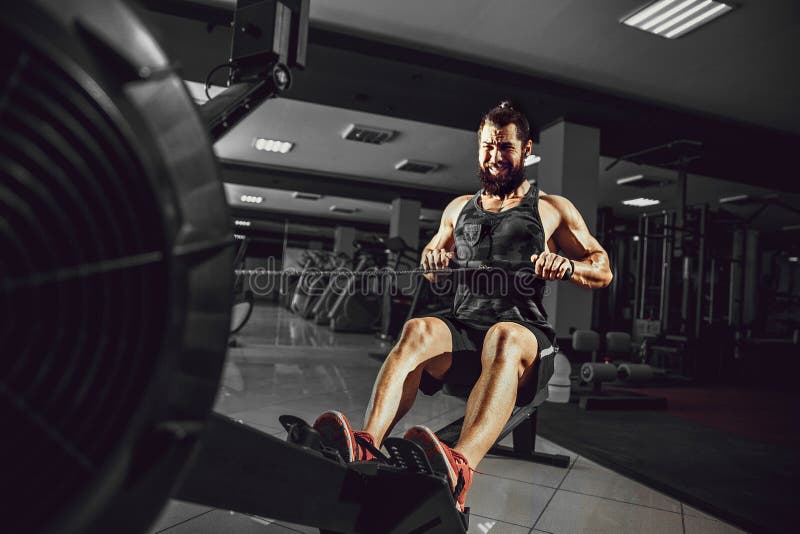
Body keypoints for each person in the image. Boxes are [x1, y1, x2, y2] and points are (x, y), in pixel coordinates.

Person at [313, 101, 613, 512]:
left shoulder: (553, 208)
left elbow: (602, 269)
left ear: (526, 150)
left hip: (522, 334)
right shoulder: (458, 208)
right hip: (465, 331)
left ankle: (459, 467)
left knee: (502, 335)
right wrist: (433, 261)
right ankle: (367, 446)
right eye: (487, 146)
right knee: (417, 329)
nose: (494, 157)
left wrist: (567, 264)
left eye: (505, 147)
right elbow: (432, 260)